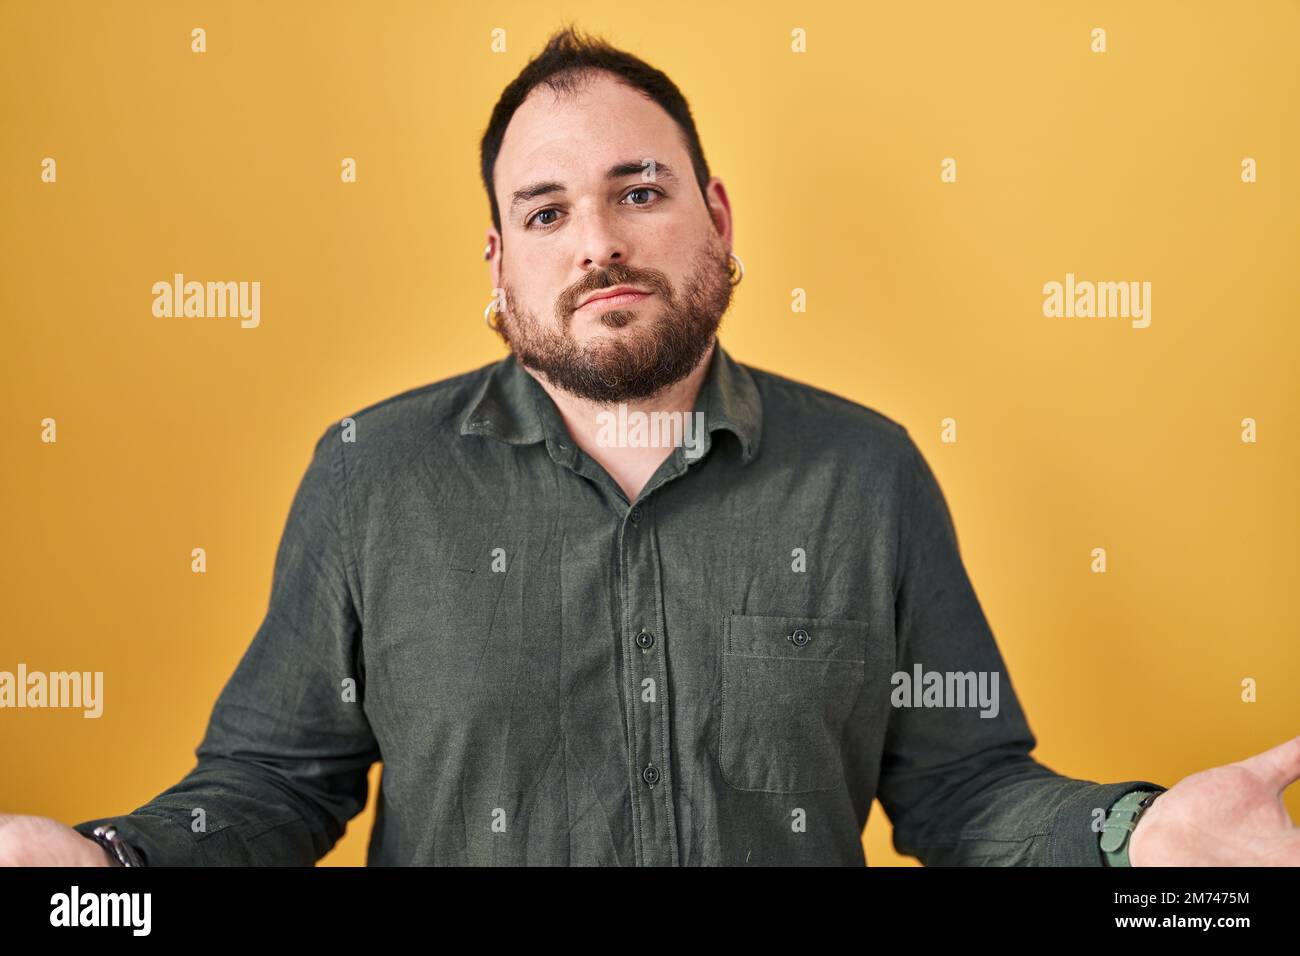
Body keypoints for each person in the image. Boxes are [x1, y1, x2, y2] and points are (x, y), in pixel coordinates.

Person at [3, 25, 1297, 867]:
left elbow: (966, 797)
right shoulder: (370, 475)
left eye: (639, 190)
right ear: (500, 266)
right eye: (547, 210)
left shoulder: (869, 473)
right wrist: (99, 881)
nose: (598, 242)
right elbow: (270, 792)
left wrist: (1140, 845)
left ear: (715, 216)